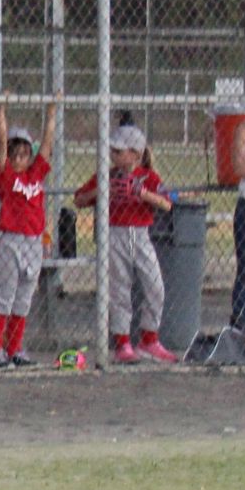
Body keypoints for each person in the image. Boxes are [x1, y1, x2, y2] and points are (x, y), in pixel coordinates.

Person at [75, 125, 181, 363]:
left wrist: (141, 192)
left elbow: (167, 204)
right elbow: (79, 199)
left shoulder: (148, 176)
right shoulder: (107, 174)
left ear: (135, 154)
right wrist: (102, 191)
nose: (114, 154)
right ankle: (122, 344)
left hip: (140, 234)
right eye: (113, 150)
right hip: (113, 233)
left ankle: (149, 339)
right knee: (119, 288)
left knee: (156, 286)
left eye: (120, 151)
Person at [0, 99, 60, 369]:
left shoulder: (35, 174)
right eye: (15, 155)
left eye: (24, 155)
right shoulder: (6, 176)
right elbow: (2, 143)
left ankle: (14, 348)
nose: (19, 160)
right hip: (11, 242)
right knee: (4, 296)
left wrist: (51, 116)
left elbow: (48, 147)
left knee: (24, 298)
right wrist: (2, 112)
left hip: (33, 242)